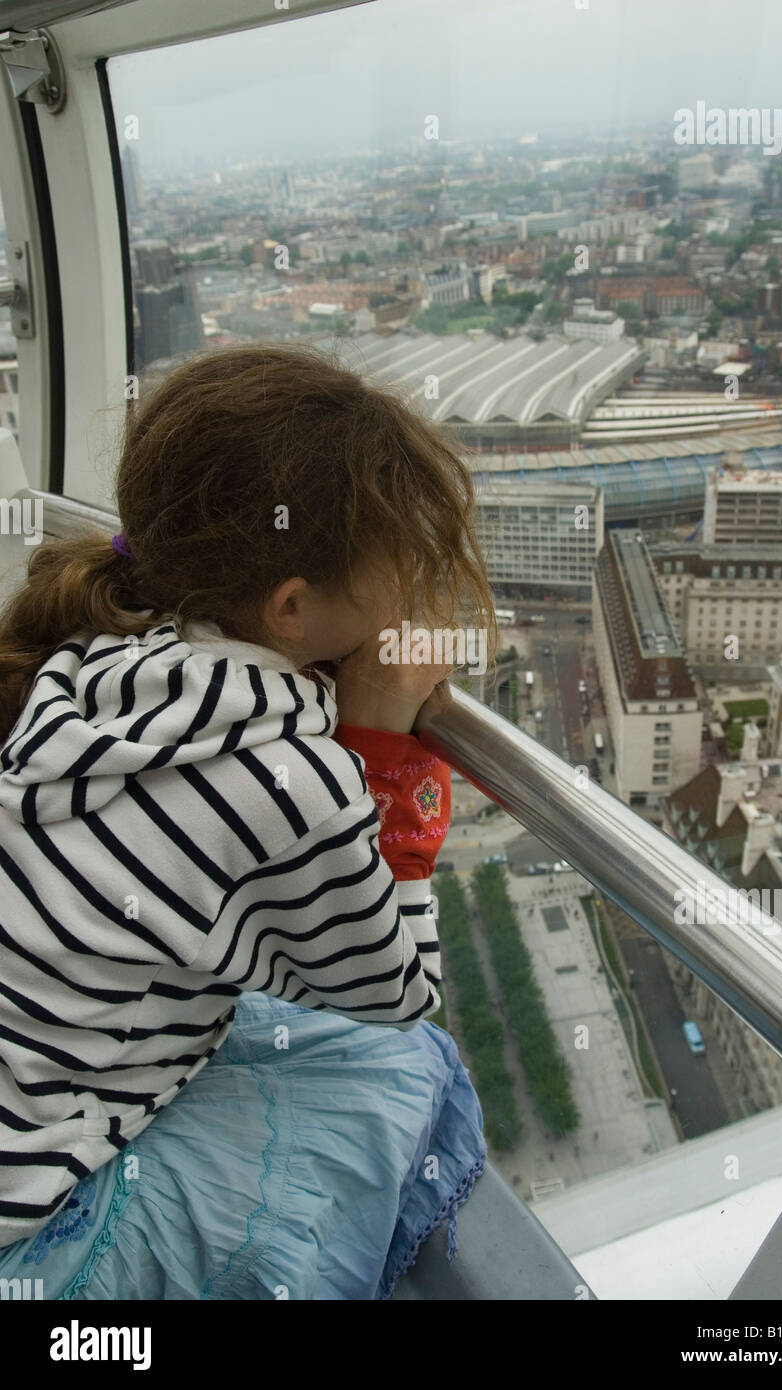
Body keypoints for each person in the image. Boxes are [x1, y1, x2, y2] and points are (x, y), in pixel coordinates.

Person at [0, 342, 495, 1300]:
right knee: (410, 1068)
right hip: (34, 1219)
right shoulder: (290, 779)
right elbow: (400, 991)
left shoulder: (95, 656)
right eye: (399, 568)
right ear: (292, 607)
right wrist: (385, 754)